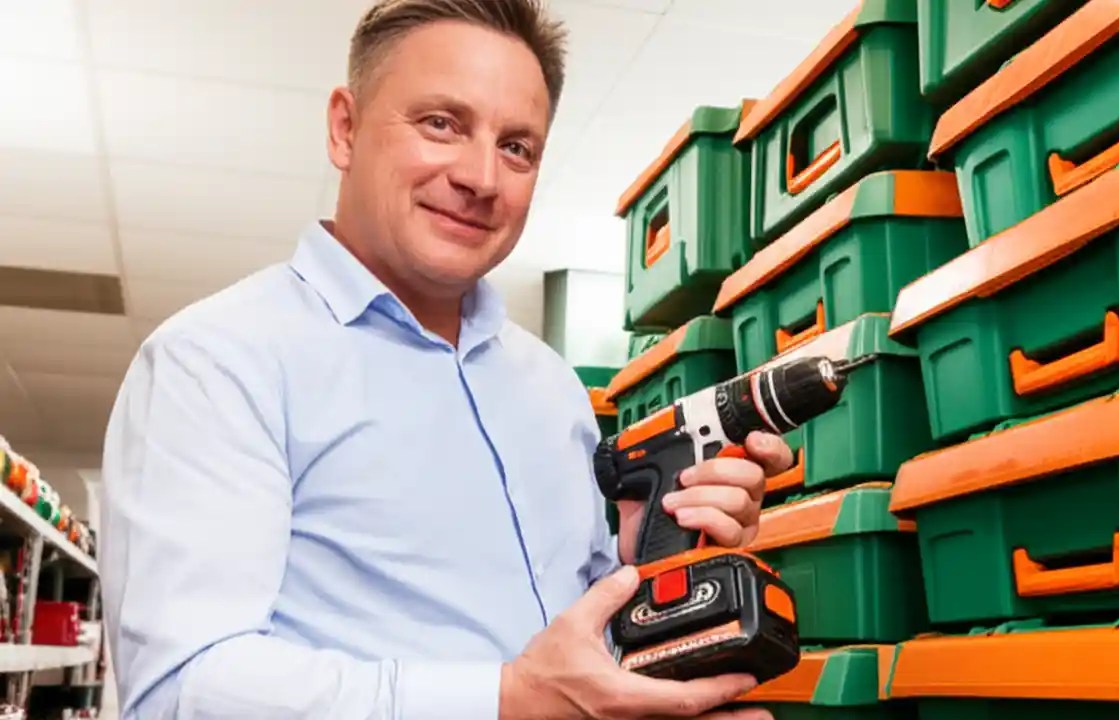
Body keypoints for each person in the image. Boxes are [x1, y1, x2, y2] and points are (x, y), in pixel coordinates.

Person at [99, 1, 791, 718]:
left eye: (517, 147)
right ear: (345, 127)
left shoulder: (549, 386)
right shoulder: (215, 363)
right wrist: (505, 700)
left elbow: (581, 657)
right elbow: (182, 693)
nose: (482, 177)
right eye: (442, 124)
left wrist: (650, 557)